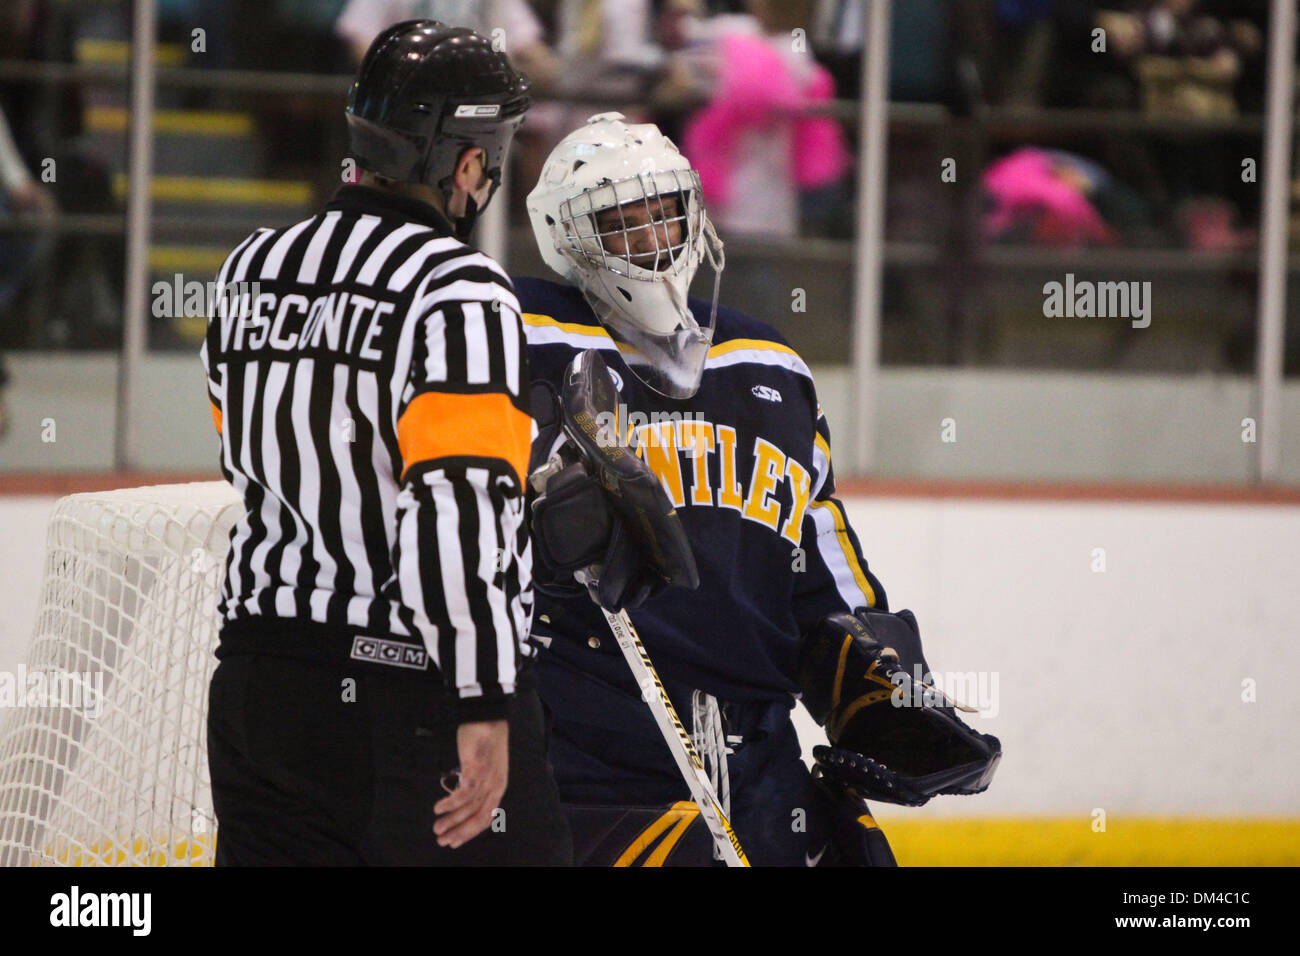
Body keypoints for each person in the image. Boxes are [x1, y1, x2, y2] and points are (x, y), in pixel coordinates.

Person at [516, 113, 998, 866]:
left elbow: (822, 563)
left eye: (663, 212)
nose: (651, 238)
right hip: (584, 755)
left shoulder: (769, 364)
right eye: (620, 221)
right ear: (564, 235)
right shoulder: (518, 337)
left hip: (756, 763)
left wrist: (880, 685)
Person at [201, 20, 570, 866]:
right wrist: (483, 698)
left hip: (258, 682)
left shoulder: (250, 265)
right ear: (464, 159)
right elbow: (457, 507)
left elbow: (242, 449)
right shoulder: (459, 288)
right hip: (408, 692)